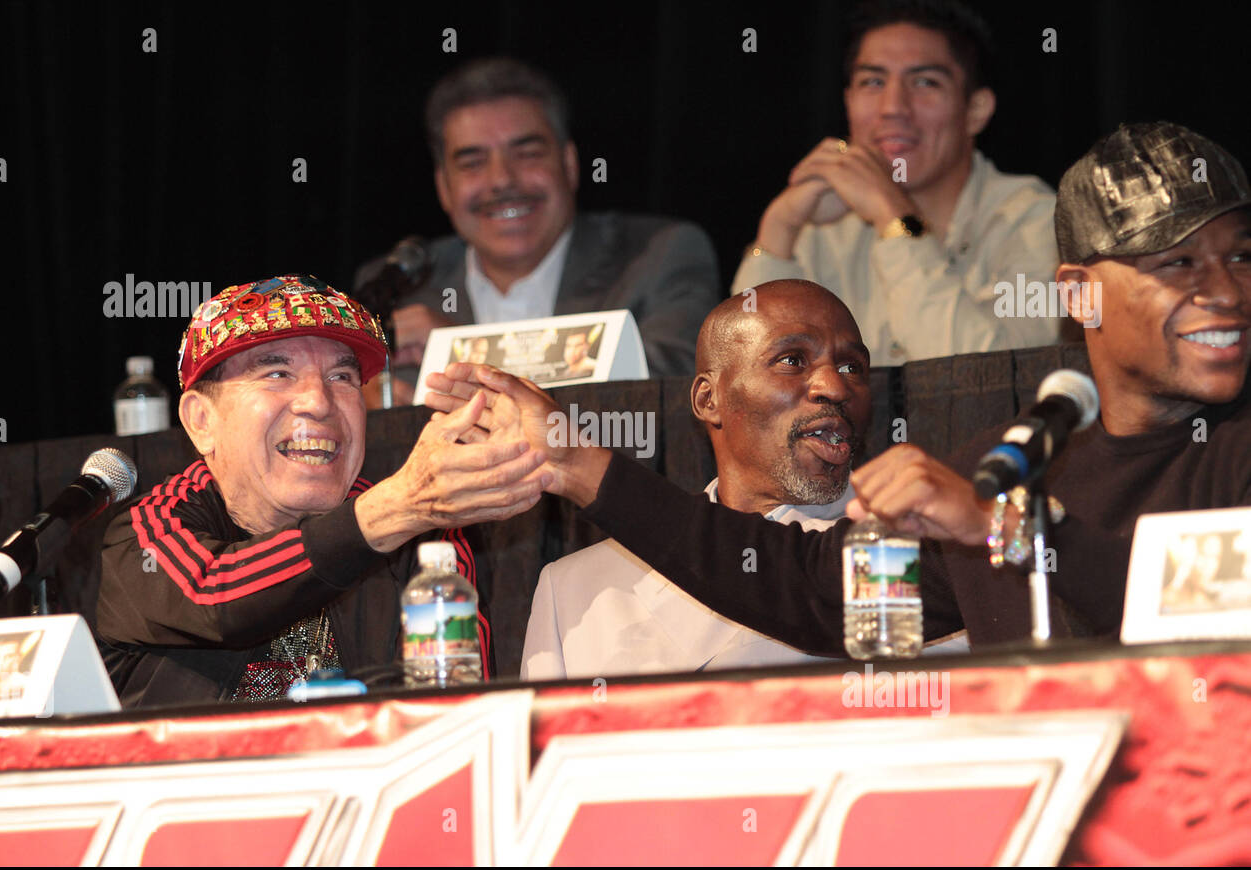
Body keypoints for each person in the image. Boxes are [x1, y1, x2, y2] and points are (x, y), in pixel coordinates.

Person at [426, 121, 1251, 654]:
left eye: (1241, 255)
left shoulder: (996, 496)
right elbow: (801, 588)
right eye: (1178, 262)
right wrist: (579, 463)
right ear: (1079, 294)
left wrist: (997, 524)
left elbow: (1203, 604)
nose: (1224, 290)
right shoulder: (1013, 464)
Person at [97, 275, 550, 707]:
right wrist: (394, 510)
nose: (318, 401)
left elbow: (462, 712)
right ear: (202, 421)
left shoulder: (421, 535)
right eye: (276, 373)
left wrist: (404, 513)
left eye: (341, 378)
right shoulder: (148, 531)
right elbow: (216, 596)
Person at [522, 280, 870, 678]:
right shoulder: (576, 590)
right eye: (792, 361)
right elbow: (545, 739)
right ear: (709, 400)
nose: (836, 386)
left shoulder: (918, 553)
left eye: (851, 367)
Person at [355, 57, 721, 403]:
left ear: (570, 164)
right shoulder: (397, 291)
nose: (501, 180)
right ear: (443, 187)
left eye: (527, 153)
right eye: (473, 162)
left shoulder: (659, 256)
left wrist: (462, 352)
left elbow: (666, 394)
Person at [732, 0, 1061, 365]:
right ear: (849, 102)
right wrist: (779, 229)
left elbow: (993, 383)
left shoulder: (1035, 219)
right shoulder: (821, 228)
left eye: (924, 82)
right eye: (873, 82)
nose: (893, 107)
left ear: (975, 110)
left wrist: (894, 219)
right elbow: (744, 381)